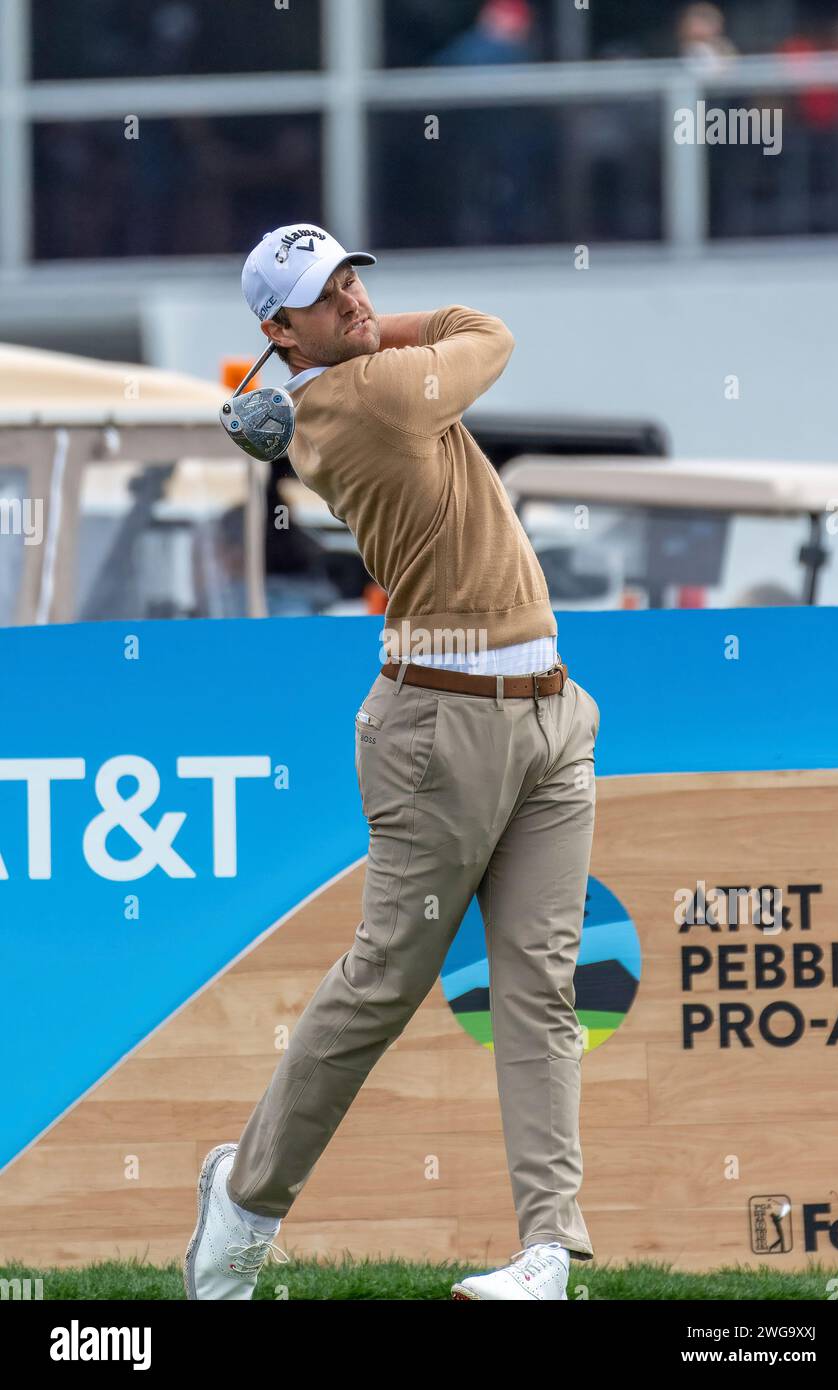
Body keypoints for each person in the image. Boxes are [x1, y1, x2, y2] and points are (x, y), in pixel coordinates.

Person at [184, 222, 600, 1301]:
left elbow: (418, 341)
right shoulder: (369, 394)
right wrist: (358, 350)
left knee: (541, 986)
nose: (357, 303)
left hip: (549, 717)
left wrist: (338, 342)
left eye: (353, 282)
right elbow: (488, 331)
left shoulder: (345, 378)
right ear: (279, 330)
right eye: (326, 299)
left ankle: (546, 1251)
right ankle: (244, 1202)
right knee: (382, 984)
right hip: (439, 729)